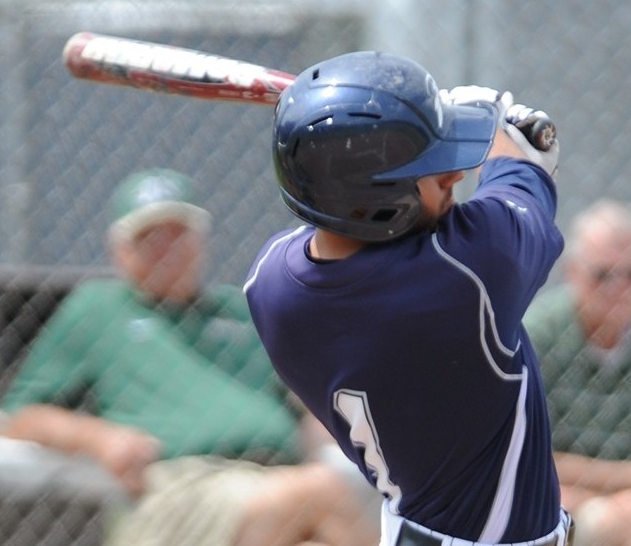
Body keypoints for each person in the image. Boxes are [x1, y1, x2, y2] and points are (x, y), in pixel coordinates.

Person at [243, 51, 572, 546]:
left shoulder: (270, 284)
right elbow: (522, 179)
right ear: (374, 203)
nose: (455, 176)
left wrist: (420, 123)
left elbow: (334, 208)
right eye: (435, 169)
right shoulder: (468, 274)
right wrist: (505, 131)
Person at [0, 168, 379, 546]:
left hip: (274, 481)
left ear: (201, 241)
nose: (167, 249)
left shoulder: (239, 311)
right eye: (149, 238)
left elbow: (305, 404)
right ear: (120, 250)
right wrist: (100, 438)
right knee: (324, 492)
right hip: (181, 488)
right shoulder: (99, 309)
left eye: (178, 234)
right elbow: (24, 415)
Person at [524, 199, 631, 546]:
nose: (619, 289)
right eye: (603, 275)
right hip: (549, 503)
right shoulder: (535, 340)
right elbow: (523, 465)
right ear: (572, 272)